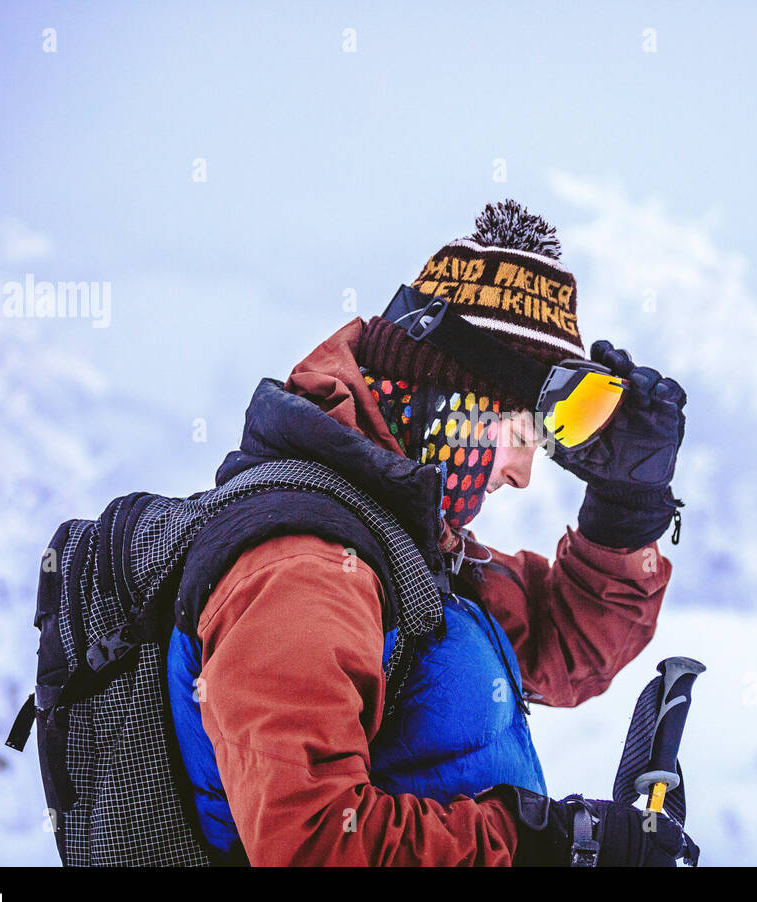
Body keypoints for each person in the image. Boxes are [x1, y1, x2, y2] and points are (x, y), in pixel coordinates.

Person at [167, 200, 693, 865]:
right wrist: (551, 846)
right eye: (520, 435)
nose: (524, 474)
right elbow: (316, 843)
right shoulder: (304, 570)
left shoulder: (407, 544)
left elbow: (564, 647)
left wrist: (626, 507)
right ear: (450, 400)